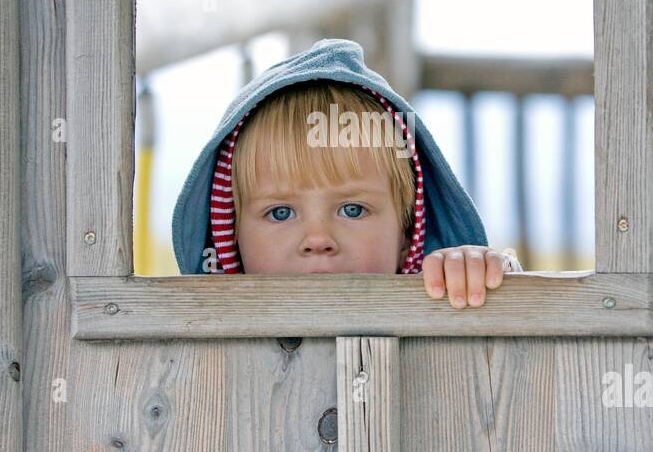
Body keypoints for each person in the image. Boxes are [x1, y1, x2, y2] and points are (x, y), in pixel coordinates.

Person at [171, 38, 523, 307]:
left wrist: (481, 281)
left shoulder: (437, 304)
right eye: (280, 212)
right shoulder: (208, 346)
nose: (318, 239)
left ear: (407, 233)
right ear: (231, 238)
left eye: (352, 209)